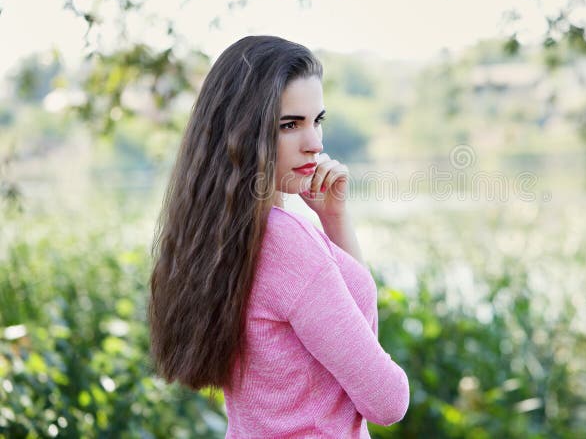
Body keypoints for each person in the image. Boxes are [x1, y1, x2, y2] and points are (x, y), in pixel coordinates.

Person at [148, 36, 410, 437]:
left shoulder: (222, 236)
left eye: (317, 120)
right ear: (242, 134)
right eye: (289, 125)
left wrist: (334, 218)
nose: (315, 144)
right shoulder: (287, 245)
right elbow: (387, 401)